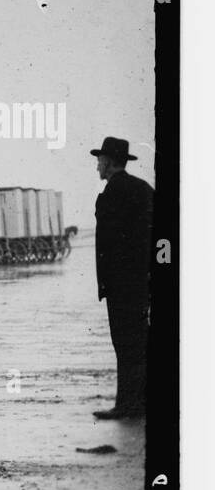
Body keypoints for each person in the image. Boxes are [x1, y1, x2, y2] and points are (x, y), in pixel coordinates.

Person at [91, 137, 153, 419]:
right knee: (138, 343)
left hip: (123, 284)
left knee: (127, 344)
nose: (97, 166)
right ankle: (137, 403)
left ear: (111, 162)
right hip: (139, 281)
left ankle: (129, 406)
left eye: (100, 160)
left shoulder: (114, 193)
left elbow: (110, 243)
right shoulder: (142, 189)